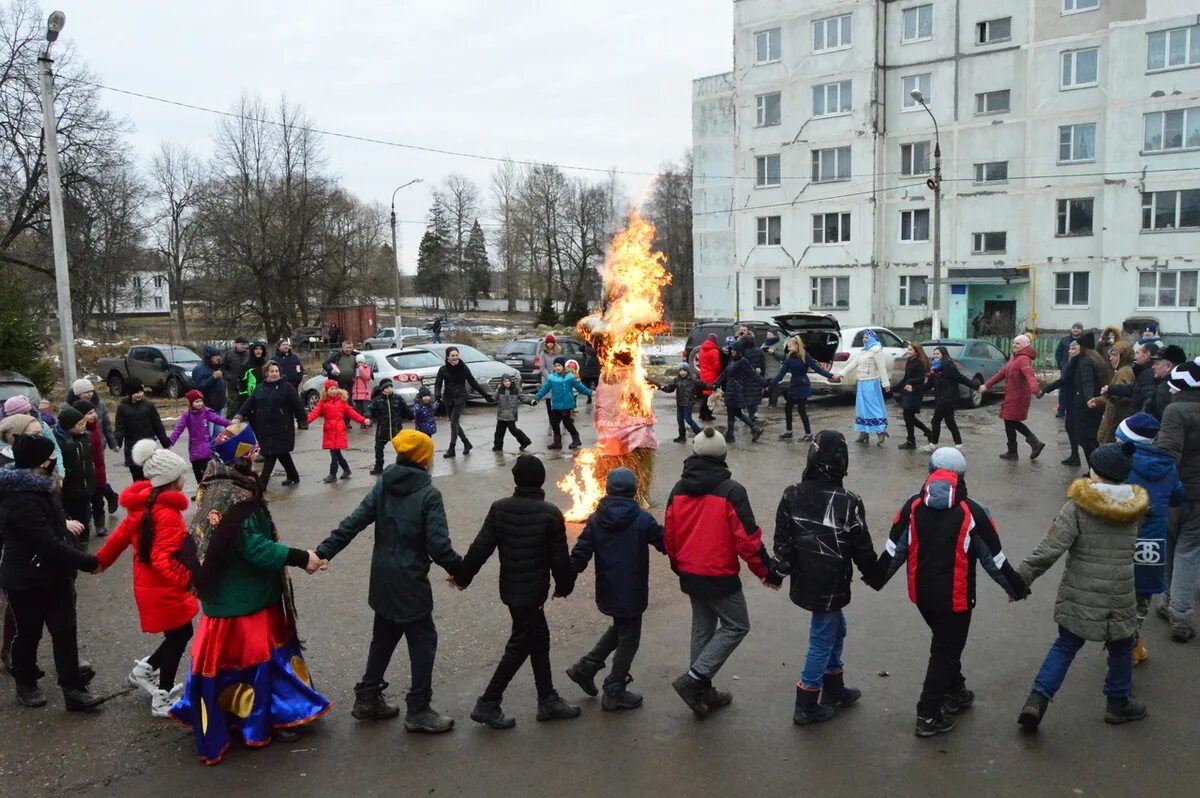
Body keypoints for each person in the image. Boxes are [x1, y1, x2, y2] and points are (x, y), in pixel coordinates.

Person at [169, 423, 329, 765]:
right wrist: (302, 558)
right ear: (242, 455)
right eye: (252, 450)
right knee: (258, 662)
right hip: (244, 603)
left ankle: (232, 712)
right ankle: (266, 717)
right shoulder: (236, 498)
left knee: (232, 664)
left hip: (226, 599)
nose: (256, 454)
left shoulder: (216, 483)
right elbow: (255, 548)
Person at [875, 447, 1029, 737]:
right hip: (957, 600)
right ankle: (928, 715)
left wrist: (876, 578)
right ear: (962, 476)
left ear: (930, 472)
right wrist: (1017, 588)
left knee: (946, 644)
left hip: (921, 596)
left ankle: (956, 691)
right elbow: (994, 560)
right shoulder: (974, 512)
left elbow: (895, 550)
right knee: (945, 652)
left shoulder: (912, 506)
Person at [315, 430, 462, 733]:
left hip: (382, 577)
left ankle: (367, 698)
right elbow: (438, 545)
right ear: (424, 459)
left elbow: (354, 521)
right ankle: (418, 709)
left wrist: (322, 552)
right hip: (410, 581)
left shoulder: (384, 484)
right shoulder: (429, 494)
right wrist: (461, 571)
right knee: (423, 642)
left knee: (383, 636)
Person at [1015, 443, 1149, 729]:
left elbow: (1050, 548)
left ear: (1096, 474)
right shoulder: (1136, 509)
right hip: (1121, 593)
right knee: (1121, 645)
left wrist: (1021, 579)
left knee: (1066, 645)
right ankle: (1118, 703)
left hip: (1080, 593)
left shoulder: (1077, 506)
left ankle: (1037, 701)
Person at [453, 455, 580, 729]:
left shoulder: (500, 509)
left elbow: (481, 548)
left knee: (538, 639)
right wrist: (564, 586)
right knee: (521, 644)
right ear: (541, 481)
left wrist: (463, 577)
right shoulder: (549, 513)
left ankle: (547, 699)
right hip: (533, 593)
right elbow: (559, 559)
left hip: (511, 589)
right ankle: (488, 702)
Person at [767, 431, 879, 725]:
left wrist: (778, 572)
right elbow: (861, 546)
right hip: (831, 582)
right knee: (822, 637)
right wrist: (875, 574)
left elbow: (782, 541)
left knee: (836, 629)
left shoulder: (792, 494)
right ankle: (806, 702)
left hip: (806, 579)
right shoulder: (849, 501)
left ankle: (834, 686)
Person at [664, 427, 771, 717]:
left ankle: (701, 690)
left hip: (690, 571)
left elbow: (670, 535)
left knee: (703, 628)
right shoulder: (731, 490)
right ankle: (694, 680)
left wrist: (678, 565)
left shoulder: (678, 489)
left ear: (694, 453)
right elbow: (747, 540)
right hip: (719, 574)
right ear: (723, 455)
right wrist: (766, 571)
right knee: (737, 625)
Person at [95, 440, 198, 717]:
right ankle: (162, 697)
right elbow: (164, 559)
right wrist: (189, 581)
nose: (185, 478)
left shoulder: (143, 507)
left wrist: (100, 561)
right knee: (179, 636)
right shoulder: (167, 515)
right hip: (164, 588)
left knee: (179, 633)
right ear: (171, 480)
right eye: (182, 475)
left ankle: (146, 669)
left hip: (151, 587)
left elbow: (119, 538)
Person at [0, 435, 103, 711]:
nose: (54, 461)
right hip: (26, 579)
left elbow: (55, 526)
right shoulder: (19, 499)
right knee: (29, 633)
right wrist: (88, 561)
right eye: (50, 458)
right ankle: (25, 682)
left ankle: (73, 689)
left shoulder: (43, 487)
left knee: (65, 632)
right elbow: (45, 543)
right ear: (40, 463)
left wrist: (66, 524)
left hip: (57, 575)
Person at [564, 468, 664, 711]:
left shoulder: (596, 519)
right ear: (633, 490)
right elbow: (666, 542)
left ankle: (586, 667)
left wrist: (565, 580)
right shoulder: (642, 519)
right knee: (630, 637)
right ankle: (614, 688)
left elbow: (580, 553)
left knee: (621, 627)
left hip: (607, 588)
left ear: (607, 489)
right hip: (633, 589)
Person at [1115, 413, 1181, 665]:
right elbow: (1177, 496)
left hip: (1123, 538)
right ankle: (1132, 644)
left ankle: (1119, 641)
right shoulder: (1168, 467)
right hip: (1152, 544)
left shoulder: (1120, 462)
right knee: (1141, 596)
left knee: (1118, 590)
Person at [1154, 357, 1200, 643]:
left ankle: (1177, 611)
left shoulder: (1175, 411)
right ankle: (1173, 606)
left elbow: (1168, 454)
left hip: (1178, 493)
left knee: (1175, 548)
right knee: (1188, 552)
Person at [235, 362, 307, 489]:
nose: (274, 374)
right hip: (264, 427)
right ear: (266, 373)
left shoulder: (287, 387)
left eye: (276, 371)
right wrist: (239, 416)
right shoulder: (260, 388)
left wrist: (302, 420)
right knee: (282, 453)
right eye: (271, 371)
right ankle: (293, 476)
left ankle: (262, 485)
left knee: (270, 454)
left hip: (282, 427)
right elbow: (249, 403)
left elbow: (297, 404)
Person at [981, 335, 1045, 461]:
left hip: (1018, 397)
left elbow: (1029, 375)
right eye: (1014, 342)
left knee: (1012, 421)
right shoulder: (1014, 358)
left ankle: (1034, 444)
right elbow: (1001, 374)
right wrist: (986, 385)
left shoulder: (1023, 359)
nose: (1014, 345)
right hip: (1011, 395)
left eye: (1018, 343)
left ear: (1025, 346)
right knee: (1009, 422)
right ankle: (1013, 452)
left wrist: (1035, 390)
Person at [768, 336, 838, 442]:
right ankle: (789, 431)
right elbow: (781, 374)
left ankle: (808, 433)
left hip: (803, 385)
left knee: (801, 410)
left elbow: (817, 369)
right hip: (794, 384)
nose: (788, 347)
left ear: (797, 345)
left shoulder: (805, 356)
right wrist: (770, 384)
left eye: (790, 345)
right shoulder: (789, 358)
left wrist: (830, 375)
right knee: (788, 408)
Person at [435, 346, 493, 458]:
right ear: (447, 357)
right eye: (452, 355)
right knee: (455, 423)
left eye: (457, 355)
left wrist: (485, 395)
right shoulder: (443, 369)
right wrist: (437, 395)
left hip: (460, 397)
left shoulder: (463, 368)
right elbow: (438, 383)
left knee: (453, 422)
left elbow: (473, 383)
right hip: (448, 398)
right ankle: (466, 443)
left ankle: (452, 448)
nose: (455, 357)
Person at [306, 379, 368, 484]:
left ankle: (333, 474)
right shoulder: (323, 402)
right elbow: (315, 412)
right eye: (331, 389)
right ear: (326, 391)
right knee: (336, 452)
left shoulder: (342, 401)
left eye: (335, 388)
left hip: (339, 430)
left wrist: (363, 420)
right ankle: (346, 470)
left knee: (334, 453)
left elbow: (352, 413)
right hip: (329, 431)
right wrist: (306, 421)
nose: (334, 391)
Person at [170, 390, 232, 487]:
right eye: (196, 401)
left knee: (209, 476)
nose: (199, 404)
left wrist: (230, 424)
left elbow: (218, 419)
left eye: (200, 401)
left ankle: (209, 490)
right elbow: (178, 429)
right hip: (195, 453)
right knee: (199, 478)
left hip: (207, 451)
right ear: (191, 403)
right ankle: (202, 490)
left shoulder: (206, 412)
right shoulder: (187, 416)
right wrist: (170, 441)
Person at [54, 406, 95, 546]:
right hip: (69, 488)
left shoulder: (85, 437)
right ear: (68, 426)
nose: (84, 426)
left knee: (84, 516)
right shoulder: (59, 442)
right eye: (79, 424)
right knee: (72, 516)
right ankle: (74, 544)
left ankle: (83, 543)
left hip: (85, 485)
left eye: (84, 422)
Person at [114, 378, 170, 482]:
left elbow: (158, 425)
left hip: (149, 447)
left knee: (151, 478)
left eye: (141, 391)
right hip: (132, 448)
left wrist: (165, 442)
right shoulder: (122, 408)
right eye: (136, 392)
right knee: (138, 479)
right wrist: (116, 443)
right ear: (130, 393)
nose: (139, 394)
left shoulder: (149, 406)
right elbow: (119, 428)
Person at [1072, 332, 1113, 470]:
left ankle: (1095, 469)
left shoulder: (1086, 361)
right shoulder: (1097, 358)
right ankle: (1097, 469)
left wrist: (1089, 399)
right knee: (1092, 439)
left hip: (1087, 406)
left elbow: (1087, 381)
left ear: (1083, 347)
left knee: (1085, 439)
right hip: (1096, 403)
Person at [533, 356, 592, 450]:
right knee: (554, 423)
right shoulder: (552, 378)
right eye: (555, 366)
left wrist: (590, 392)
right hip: (556, 405)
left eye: (559, 365)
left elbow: (580, 387)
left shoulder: (569, 377)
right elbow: (544, 389)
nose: (557, 367)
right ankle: (557, 442)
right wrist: (536, 398)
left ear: (563, 366)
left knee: (567, 422)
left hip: (566, 405)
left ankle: (576, 439)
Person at [1041, 340, 1083, 465]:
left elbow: (1064, 380)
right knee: (1070, 427)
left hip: (1077, 399)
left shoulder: (1079, 363)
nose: (1070, 351)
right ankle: (1075, 455)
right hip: (1072, 398)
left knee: (1075, 429)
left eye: (1074, 349)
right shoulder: (1074, 362)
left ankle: (1079, 458)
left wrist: (1046, 389)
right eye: (1070, 349)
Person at [3, 395, 64, 478]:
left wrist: (60, 473)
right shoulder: (5, 434)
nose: (27, 416)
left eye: (28, 412)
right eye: (22, 414)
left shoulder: (42, 426)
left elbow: (55, 450)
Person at [849, 329, 892, 446]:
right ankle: (864, 432)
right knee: (861, 407)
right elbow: (853, 364)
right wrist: (840, 374)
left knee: (873, 407)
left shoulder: (876, 350)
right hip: (861, 382)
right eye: (863, 337)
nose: (864, 339)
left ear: (872, 338)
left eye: (867, 337)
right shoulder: (863, 351)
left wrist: (886, 384)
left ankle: (880, 431)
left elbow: (882, 367)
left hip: (871, 382)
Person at [713, 348, 765, 444]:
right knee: (736, 412)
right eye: (732, 349)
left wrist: (764, 384)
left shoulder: (743, 361)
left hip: (737, 390)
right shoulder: (732, 361)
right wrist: (716, 383)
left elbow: (753, 374)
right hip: (731, 390)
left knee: (732, 412)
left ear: (740, 351)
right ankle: (754, 429)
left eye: (734, 350)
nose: (732, 351)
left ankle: (731, 435)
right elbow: (724, 373)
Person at [1090, 341, 1135, 444]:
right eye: (1110, 355)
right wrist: (1099, 400)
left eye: (1114, 355)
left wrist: (1102, 399)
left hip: (1115, 422)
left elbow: (1120, 397)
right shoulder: (1124, 369)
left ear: (1123, 356)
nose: (1110, 358)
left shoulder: (1124, 372)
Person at [368, 378, 413, 474]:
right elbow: (369, 409)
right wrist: (367, 417)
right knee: (378, 448)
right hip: (382, 429)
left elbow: (406, 409)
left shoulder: (398, 398)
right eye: (387, 387)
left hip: (396, 428)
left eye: (390, 387)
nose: (389, 389)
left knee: (401, 448)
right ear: (382, 389)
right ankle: (378, 467)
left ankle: (403, 466)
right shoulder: (377, 400)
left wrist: (411, 417)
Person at [64, 378, 117, 453]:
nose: (90, 394)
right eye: (86, 392)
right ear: (78, 393)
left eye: (91, 391)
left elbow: (107, 426)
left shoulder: (99, 405)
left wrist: (113, 444)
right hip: (80, 449)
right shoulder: (69, 408)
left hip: (99, 446)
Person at [657, 363, 706, 443]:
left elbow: (703, 385)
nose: (682, 372)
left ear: (687, 371)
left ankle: (700, 434)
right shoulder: (677, 380)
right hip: (680, 403)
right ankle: (682, 437)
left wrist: (713, 387)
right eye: (681, 370)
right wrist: (661, 388)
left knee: (688, 419)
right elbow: (670, 389)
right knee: (680, 419)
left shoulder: (692, 380)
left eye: (684, 370)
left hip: (688, 403)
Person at [897, 343, 932, 450]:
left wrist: (910, 382)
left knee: (908, 416)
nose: (908, 351)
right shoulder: (910, 361)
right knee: (909, 417)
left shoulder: (918, 363)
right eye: (908, 349)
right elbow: (905, 378)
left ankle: (912, 440)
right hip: (908, 392)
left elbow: (920, 379)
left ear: (916, 352)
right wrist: (894, 388)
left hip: (914, 393)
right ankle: (924, 434)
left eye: (910, 350)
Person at [493, 374, 535, 452]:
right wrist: (489, 397)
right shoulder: (499, 390)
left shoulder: (515, 390)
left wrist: (530, 401)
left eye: (508, 381)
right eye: (505, 381)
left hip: (511, 415)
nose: (507, 383)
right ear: (502, 382)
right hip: (501, 415)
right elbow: (493, 398)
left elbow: (522, 397)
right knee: (499, 432)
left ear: (511, 381)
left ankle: (525, 441)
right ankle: (498, 446)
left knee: (514, 430)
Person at [1145, 344, 1187, 421]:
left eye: (1157, 363)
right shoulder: (1187, 384)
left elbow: (1167, 420)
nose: (1153, 367)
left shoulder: (1165, 388)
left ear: (1168, 366)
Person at [191, 346, 227, 435]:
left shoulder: (215, 367)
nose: (218, 358)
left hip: (219, 407)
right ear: (209, 357)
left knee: (218, 435)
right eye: (216, 356)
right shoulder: (200, 369)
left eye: (219, 355)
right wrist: (213, 378)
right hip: (208, 409)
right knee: (208, 435)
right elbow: (199, 388)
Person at [1054, 323, 1085, 418]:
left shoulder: (1084, 341)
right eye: (1074, 328)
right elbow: (1058, 353)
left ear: (1081, 330)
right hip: (1066, 369)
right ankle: (1061, 411)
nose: (1075, 330)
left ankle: (1076, 411)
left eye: (1078, 328)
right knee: (1063, 390)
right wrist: (1061, 365)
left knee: (1077, 390)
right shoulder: (1064, 340)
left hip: (1079, 370)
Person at [220, 337, 251, 420]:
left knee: (246, 408)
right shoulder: (229, 355)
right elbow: (222, 368)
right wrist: (229, 377)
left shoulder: (250, 355)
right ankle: (230, 425)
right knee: (232, 408)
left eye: (245, 344)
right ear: (236, 345)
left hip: (247, 387)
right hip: (233, 387)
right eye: (242, 344)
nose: (244, 346)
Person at [537, 335, 562, 429]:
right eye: (548, 343)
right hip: (547, 379)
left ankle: (557, 417)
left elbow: (560, 364)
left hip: (557, 377)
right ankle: (551, 419)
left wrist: (558, 374)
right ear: (546, 344)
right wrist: (549, 377)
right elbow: (542, 367)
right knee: (548, 399)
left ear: (554, 343)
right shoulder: (543, 353)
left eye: (551, 342)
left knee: (557, 398)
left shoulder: (557, 352)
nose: (550, 344)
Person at [696, 333, 722, 423]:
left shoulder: (702, 349)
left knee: (705, 395)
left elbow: (699, 362)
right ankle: (707, 415)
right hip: (712, 375)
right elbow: (717, 365)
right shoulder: (714, 351)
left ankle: (702, 414)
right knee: (711, 396)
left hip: (703, 374)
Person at [238, 342, 268, 408]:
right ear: (252, 351)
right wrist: (245, 399)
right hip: (251, 397)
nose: (259, 351)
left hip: (266, 396)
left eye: (260, 349)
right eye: (256, 349)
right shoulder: (246, 365)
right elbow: (242, 384)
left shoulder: (267, 364)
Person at [352, 355, 373, 428]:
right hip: (356, 394)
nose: (360, 364)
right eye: (358, 362)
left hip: (365, 393)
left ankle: (368, 423)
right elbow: (353, 380)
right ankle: (362, 423)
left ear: (364, 362)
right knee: (359, 410)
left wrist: (361, 369)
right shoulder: (355, 369)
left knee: (366, 410)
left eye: (361, 362)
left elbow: (366, 377)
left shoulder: (367, 368)